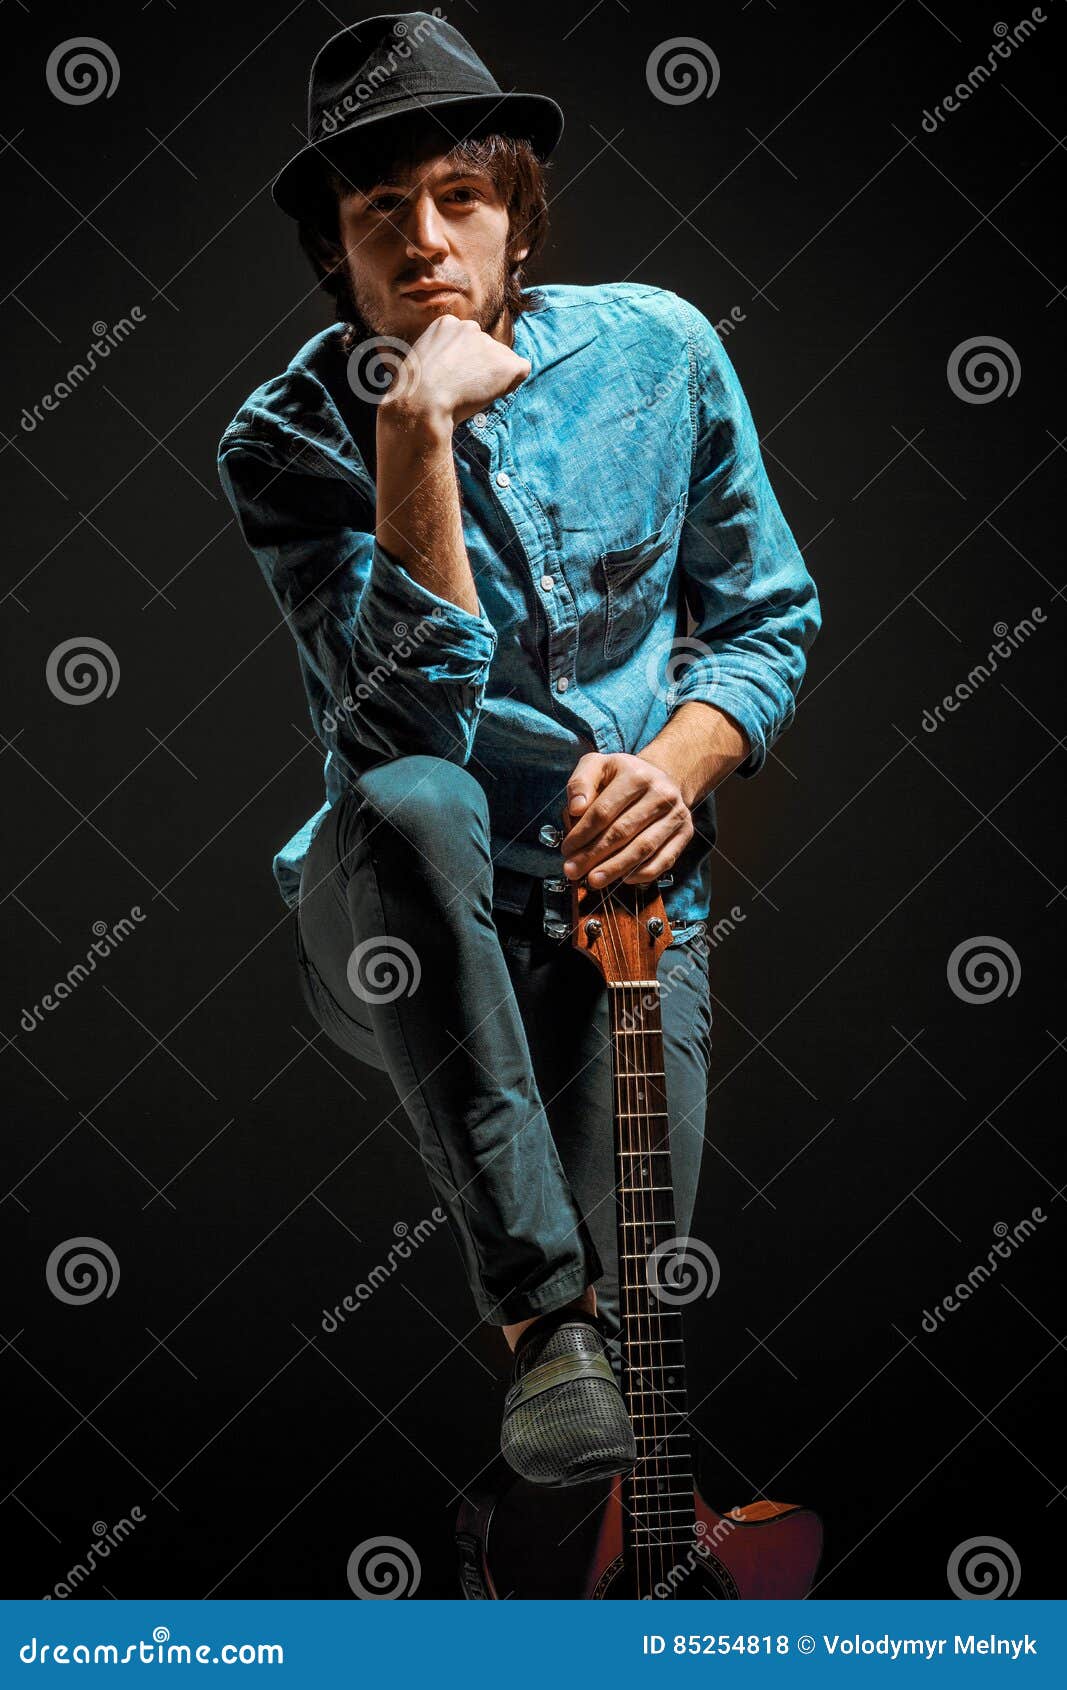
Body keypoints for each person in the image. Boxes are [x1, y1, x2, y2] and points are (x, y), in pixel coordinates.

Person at [217, 11, 821, 1489]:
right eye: (380, 215)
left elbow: (766, 619)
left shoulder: (661, 351)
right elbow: (399, 725)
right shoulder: (286, 443)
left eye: (460, 198)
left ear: (515, 217)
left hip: (618, 906)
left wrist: (675, 766)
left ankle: (575, 1585)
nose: (425, 239)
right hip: (402, 909)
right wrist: (414, 427)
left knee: (629, 1386)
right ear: (335, 255)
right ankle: (539, 1315)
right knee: (421, 796)